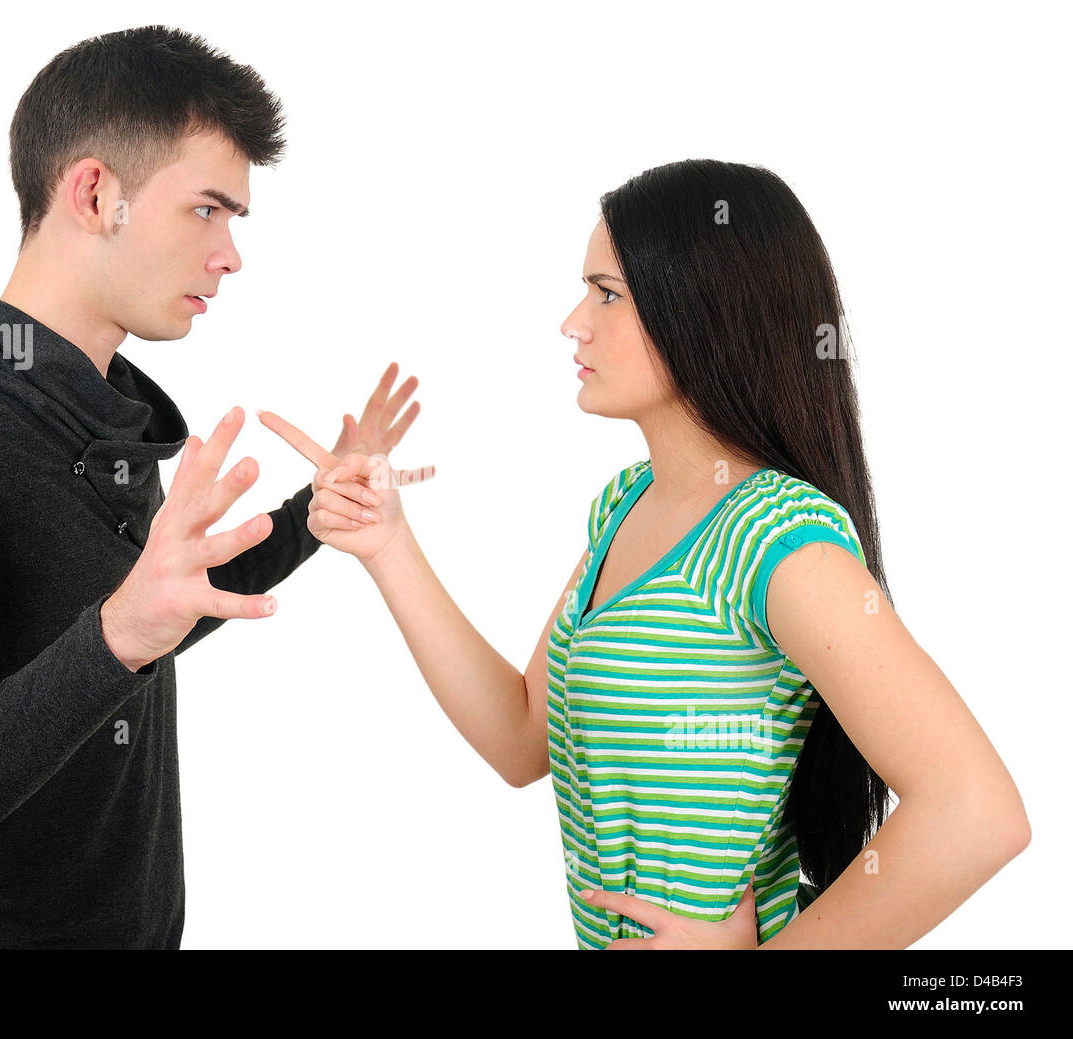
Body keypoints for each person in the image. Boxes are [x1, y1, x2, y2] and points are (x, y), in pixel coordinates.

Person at [260, 159, 1031, 949]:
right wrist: (389, 544)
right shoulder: (627, 503)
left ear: (705, 314)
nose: (572, 321)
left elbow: (975, 813)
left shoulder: (773, 537)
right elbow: (523, 737)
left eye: (606, 294)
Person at [0, 24, 420, 950]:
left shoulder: (108, 421)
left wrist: (317, 509)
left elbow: (157, 609)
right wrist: (118, 634)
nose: (231, 255)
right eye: (207, 211)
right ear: (97, 193)